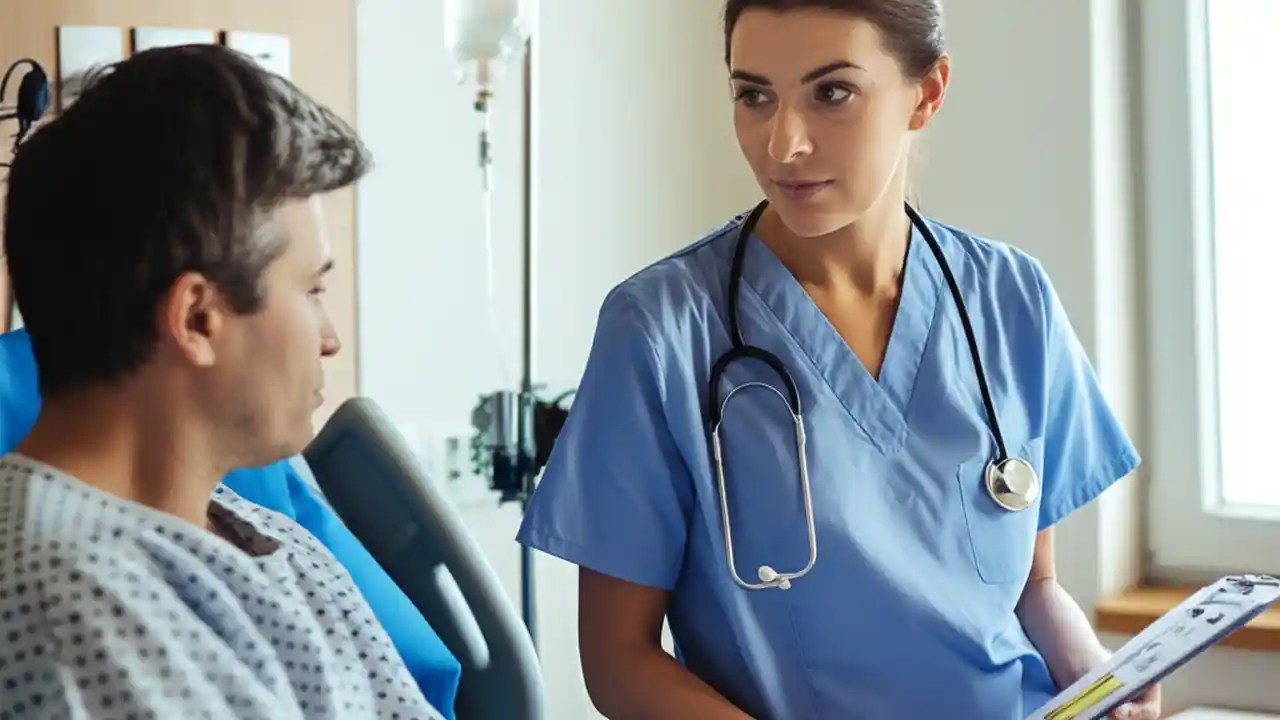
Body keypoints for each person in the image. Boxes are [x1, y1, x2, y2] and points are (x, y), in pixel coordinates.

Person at [515, 2, 1160, 719]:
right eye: (754, 94)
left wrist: (1102, 678)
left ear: (928, 93)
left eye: (831, 92)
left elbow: (1033, 585)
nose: (783, 142)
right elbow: (616, 659)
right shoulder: (662, 327)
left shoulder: (1012, 299)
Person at [0, 45, 445, 719]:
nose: (330, 338)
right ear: (198, 318)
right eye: (313, 289)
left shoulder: (274, 542)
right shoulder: (67, 607)